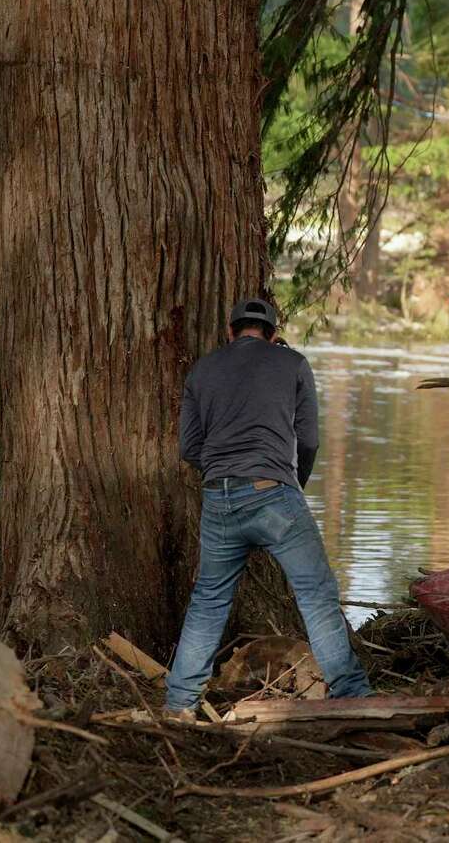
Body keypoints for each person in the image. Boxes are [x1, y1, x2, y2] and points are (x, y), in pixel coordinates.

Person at [167, 298, 371, 716]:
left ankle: (178, 703)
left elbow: (189, 447)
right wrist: (292, 484)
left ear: (231, 330)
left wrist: (224, 471)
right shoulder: (292, 364)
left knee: (208, 601)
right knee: (315, 595)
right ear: (273, 334)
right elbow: (309, 439)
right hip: (274, 492)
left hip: (218, 496)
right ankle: (351, 695)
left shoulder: (202, 370)